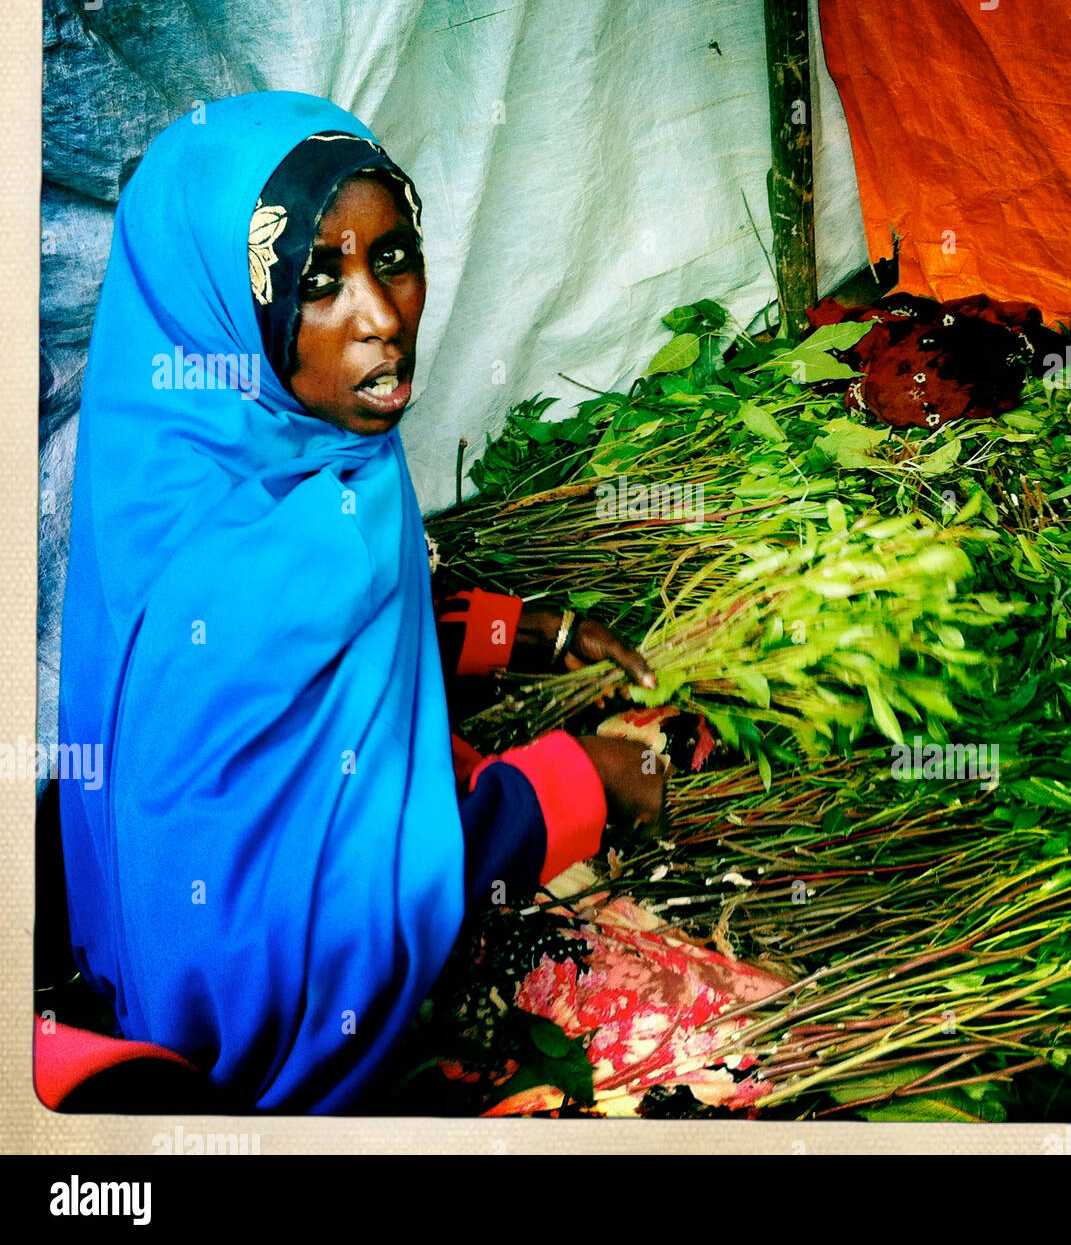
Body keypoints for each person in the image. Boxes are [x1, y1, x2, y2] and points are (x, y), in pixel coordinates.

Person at [56, 91, 666, 1113]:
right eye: (318, 280)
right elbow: (306, 944)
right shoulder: (214, 588)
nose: (380, 319)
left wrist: (533, 632)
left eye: (392, 259)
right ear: (222, 308)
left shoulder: (285, 453)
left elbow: (359, 644)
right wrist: (575, 790)